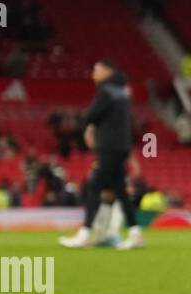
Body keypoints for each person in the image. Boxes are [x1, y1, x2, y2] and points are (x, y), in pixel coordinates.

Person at [60, 60, 144, 249]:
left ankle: (85, 234)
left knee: (94, 187)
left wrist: (87, 127)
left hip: (109, 147)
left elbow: (91, 115)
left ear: (108, 71)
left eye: (96, 70)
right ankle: (135, 233)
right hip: (121, 146)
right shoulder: (122, 91)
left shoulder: (107, 91)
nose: (93, 74)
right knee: (120, 192)